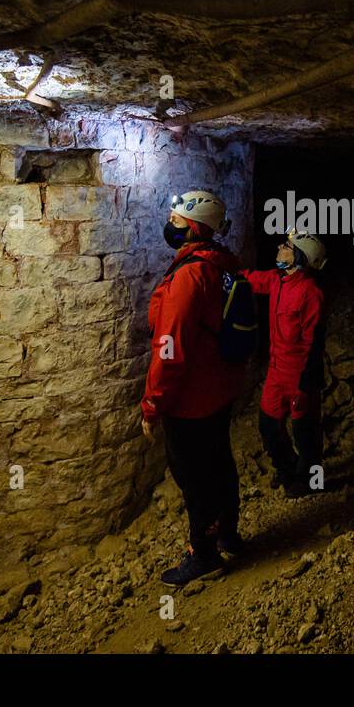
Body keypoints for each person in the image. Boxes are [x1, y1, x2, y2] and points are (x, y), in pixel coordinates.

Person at [141, 189, 246, 586]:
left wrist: (153, 404)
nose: (170, 226)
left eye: (176, 222)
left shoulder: (189, 275)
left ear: (196, 229)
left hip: (192, 399)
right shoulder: (222, 264)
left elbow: (171, 349)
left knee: (195, 476)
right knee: (219, 461)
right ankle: (228, 534)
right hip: (219, 388)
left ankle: (203, 555)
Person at [241, 230, 327, 497]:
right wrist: (225, 272)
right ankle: (288, 470)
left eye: (288, 245)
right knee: (268, 425)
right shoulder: (277, 280)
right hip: (277, 373)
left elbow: (315, 341)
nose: (281, 246)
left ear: (299, 257)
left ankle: (312, 480)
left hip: (300, 375)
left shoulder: (311, 293)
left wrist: (308, 380)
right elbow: (251, 280)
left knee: (306, 434)